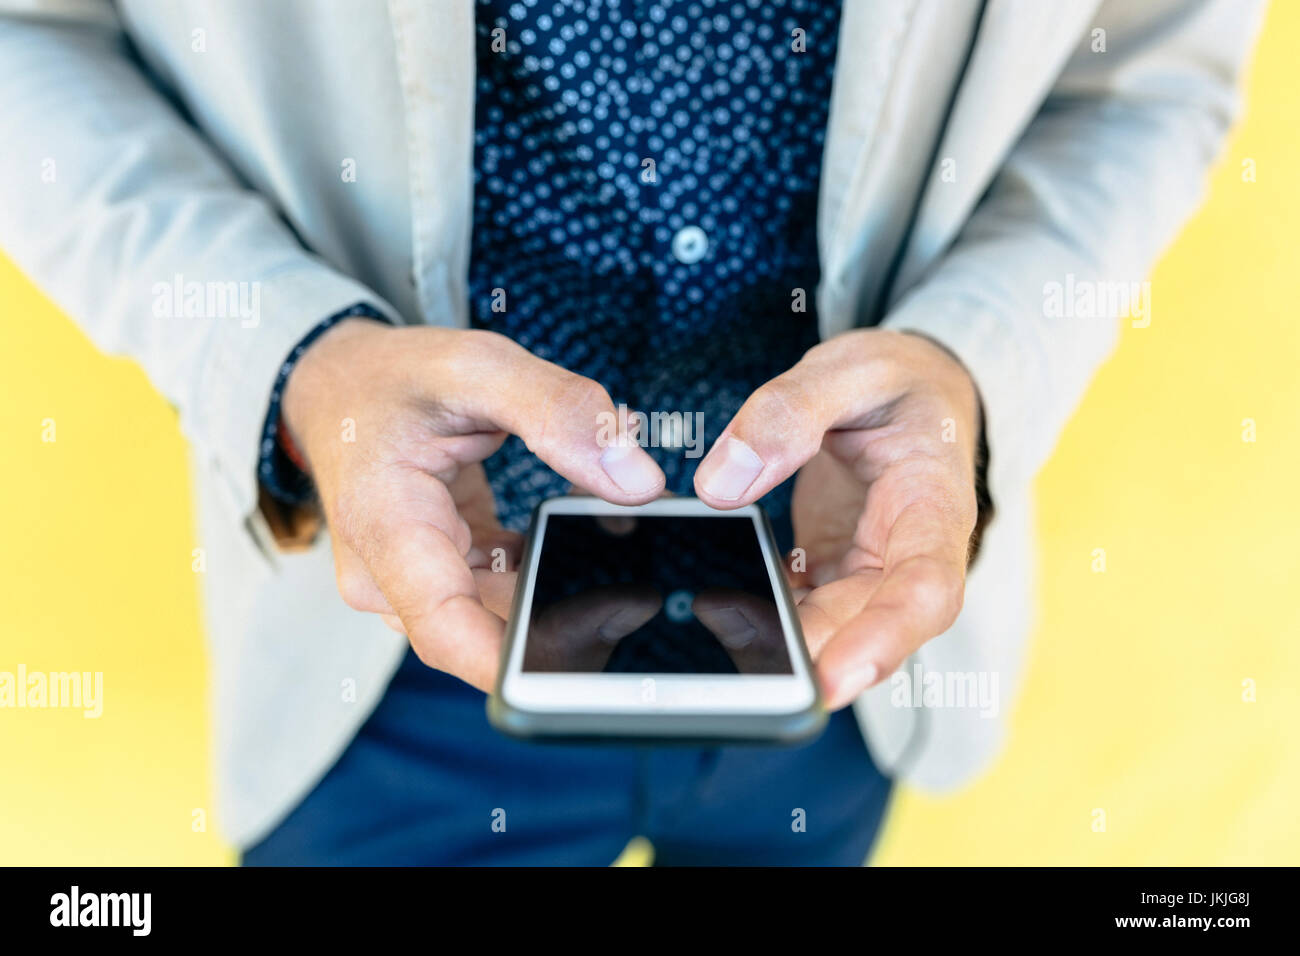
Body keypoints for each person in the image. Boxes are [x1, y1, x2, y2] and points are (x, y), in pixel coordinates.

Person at [0, 0, 1264, 864]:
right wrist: (295, 357)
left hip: (840, 618)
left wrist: (973, 358)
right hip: (385, 641)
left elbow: (1144, 74)